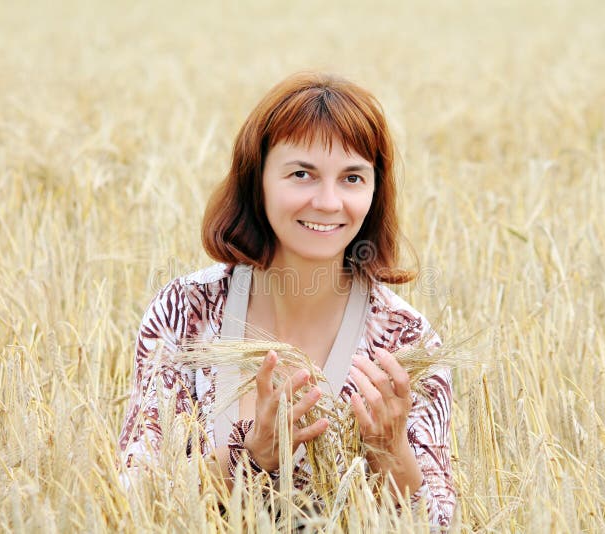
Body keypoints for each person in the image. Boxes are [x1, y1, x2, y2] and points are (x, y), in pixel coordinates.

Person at [118, 72, 455, 529]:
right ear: (257, 178)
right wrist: (251, 455)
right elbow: (133, 496)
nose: (329, 201)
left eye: (352, 177)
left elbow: (439, 524)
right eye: (302, 174)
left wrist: (391, 455)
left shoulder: (406, 340)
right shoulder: (186, 311)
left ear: (375, 191)